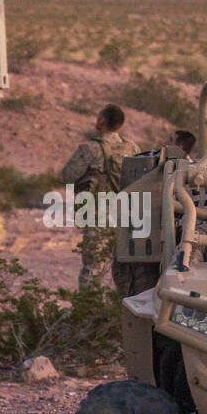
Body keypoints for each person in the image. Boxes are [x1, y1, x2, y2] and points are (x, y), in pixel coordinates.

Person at [61, 104, 141, 287]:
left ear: (102, 121)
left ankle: (88, 311)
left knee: (92, 267)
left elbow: (67, 175)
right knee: (122, 268)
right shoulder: (133, 148)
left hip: (98, 215)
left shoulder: (89, 149)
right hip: (125, 216)